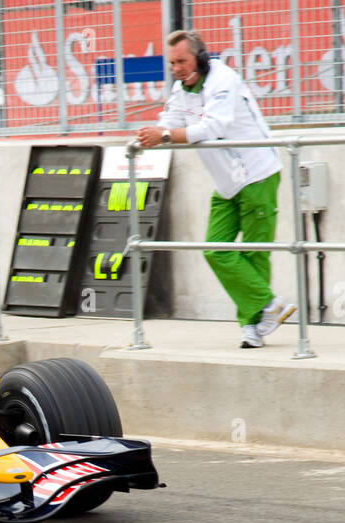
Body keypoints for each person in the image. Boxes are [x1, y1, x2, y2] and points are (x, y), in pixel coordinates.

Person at [137, 30, 296, 349]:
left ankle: (251, 327)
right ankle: (269, 304)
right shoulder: (181, 87)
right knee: (215, 248)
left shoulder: (223, 80)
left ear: (201, 57)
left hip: (257, 173)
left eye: (182, 60)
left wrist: (164, 137)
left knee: (255, 253)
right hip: (227, 181)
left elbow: (213, 127)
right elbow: (170, 119)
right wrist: (147, 135)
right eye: (172, 62)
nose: (177, 68)